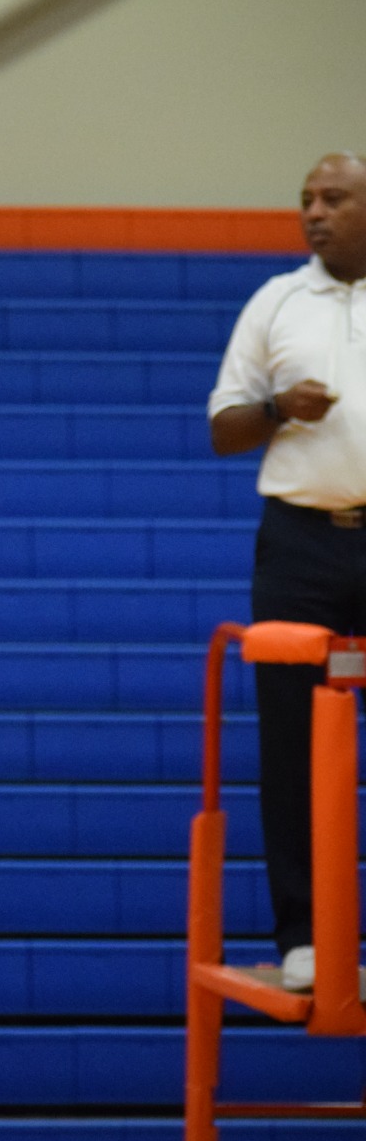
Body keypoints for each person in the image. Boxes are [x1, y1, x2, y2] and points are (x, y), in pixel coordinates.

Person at [208, 151, 366, 993]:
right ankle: (304, 935)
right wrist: (279, 408)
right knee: (290, 741)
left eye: (334, 198)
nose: (314, 211)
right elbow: (223, 427)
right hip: (300, 542)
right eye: (307, 199)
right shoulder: (276, 300)